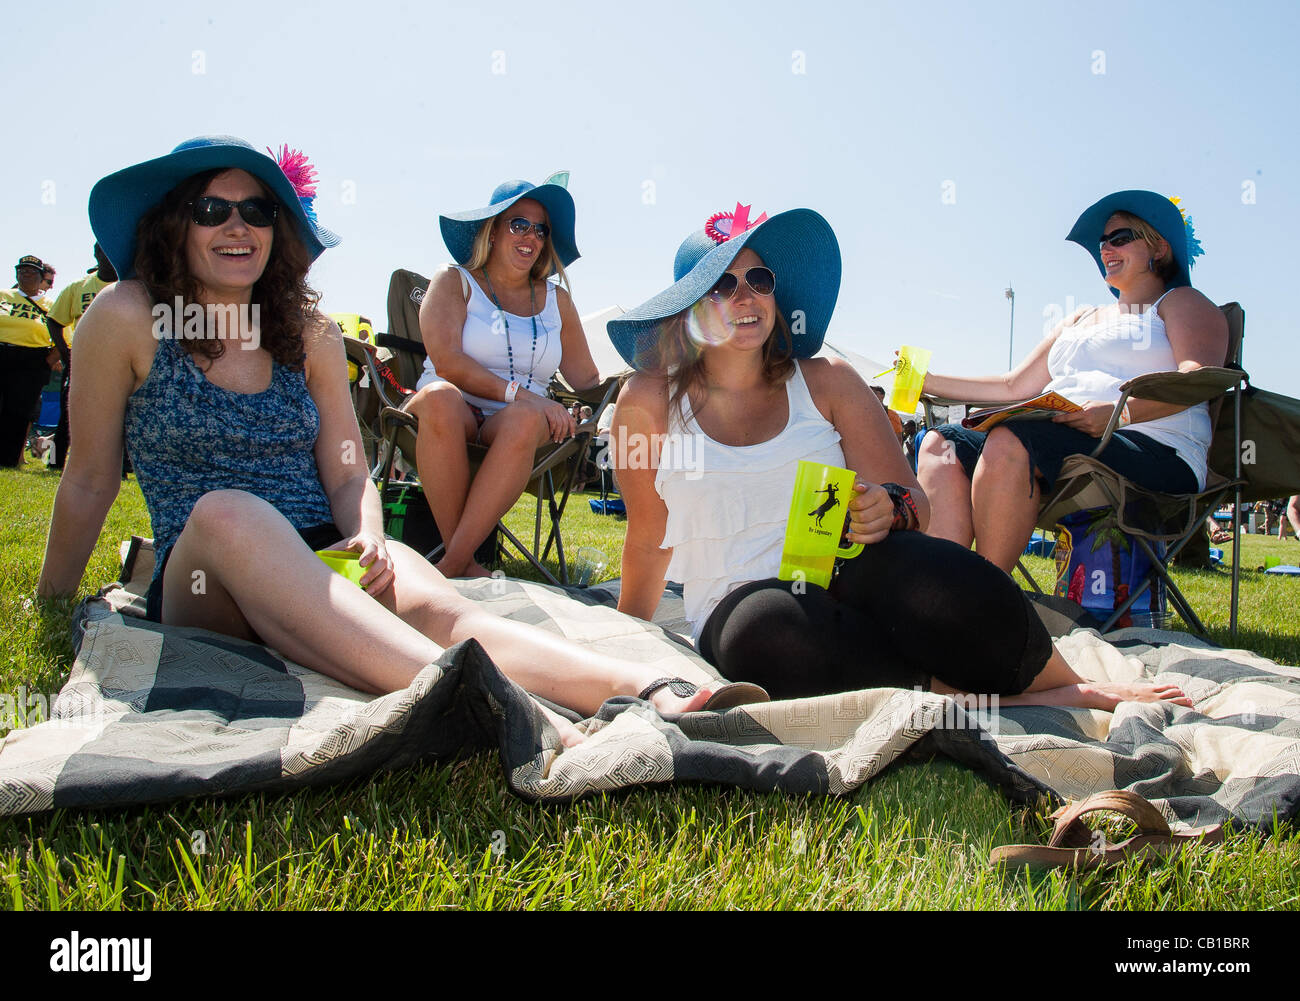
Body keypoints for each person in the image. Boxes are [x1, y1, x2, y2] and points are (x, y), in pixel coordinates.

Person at [37, 137, 760, 751]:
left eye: (258, 211)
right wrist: (52, 599)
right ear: (175, 224)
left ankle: (649, 688)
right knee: (233, 510)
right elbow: (90, 477)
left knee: (445, 606)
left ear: (279, 230)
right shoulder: (128, 316)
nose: (239, 226)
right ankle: (510, 709)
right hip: (208, 574)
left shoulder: (309, 334)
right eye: (212, 209)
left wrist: (371, 536)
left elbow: (350, 474)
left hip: (326, 554)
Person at [606, 205, 1188, 710]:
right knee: (769, 629)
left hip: (849, 573)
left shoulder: (829, 381)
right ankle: (967, 695)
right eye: (722, 285)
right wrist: (628, 636)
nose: (746, 297)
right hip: (742, 609)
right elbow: (647, 535)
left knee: (928, 567)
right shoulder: (650, 399)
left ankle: (1065, 683)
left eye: (758, 279)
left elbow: (914, 505)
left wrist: (887, 508)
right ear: (691, 308)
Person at [917, 191, 1228, 574]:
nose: (1106, 248)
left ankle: (986, 598)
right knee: (941, 443)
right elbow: (1014, 386)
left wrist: (1122, 413)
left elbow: (1200, 380)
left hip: (1155, 451)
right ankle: (939, 587)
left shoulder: (1180, 302)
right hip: (1063, 439)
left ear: (1159, 247)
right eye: (1102, 242)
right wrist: (926, 380)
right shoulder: (1082, 316)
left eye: (1120, 238)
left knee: (1011, 437)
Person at [404, 178, 602, 578]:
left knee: (527, 419)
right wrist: (526, 396)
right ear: (492, 231)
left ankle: (453, 563)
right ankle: (463, 560)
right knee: (442, 397)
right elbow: (448, 362)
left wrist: (647, 369)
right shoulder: (454, 280)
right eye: (518, 224)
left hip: (517, 427)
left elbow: (586, 377)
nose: (531, 235)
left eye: (540, 229)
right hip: (450, 408)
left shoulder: (556, 299)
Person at [46, 244, 118, 470]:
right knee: (68, 414)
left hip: (120, 361)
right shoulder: (78, 287)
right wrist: (66, 353)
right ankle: (55, 461)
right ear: (96, 254)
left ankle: (119, 466)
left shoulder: (133, 285)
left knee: (119, 415)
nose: (107, 255)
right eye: (103, 250)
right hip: (84, 360)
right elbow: (54, 321)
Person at [0, 254, 54, 466]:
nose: (25, 274)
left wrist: (49, 360)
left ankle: (9, 459)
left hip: (32, 358)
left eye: (31, 271)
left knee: (20, 410)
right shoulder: (4, 295)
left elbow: (64, 333)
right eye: (21, 270)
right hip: (2, 351)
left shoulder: (50, 303)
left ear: (41, 277)